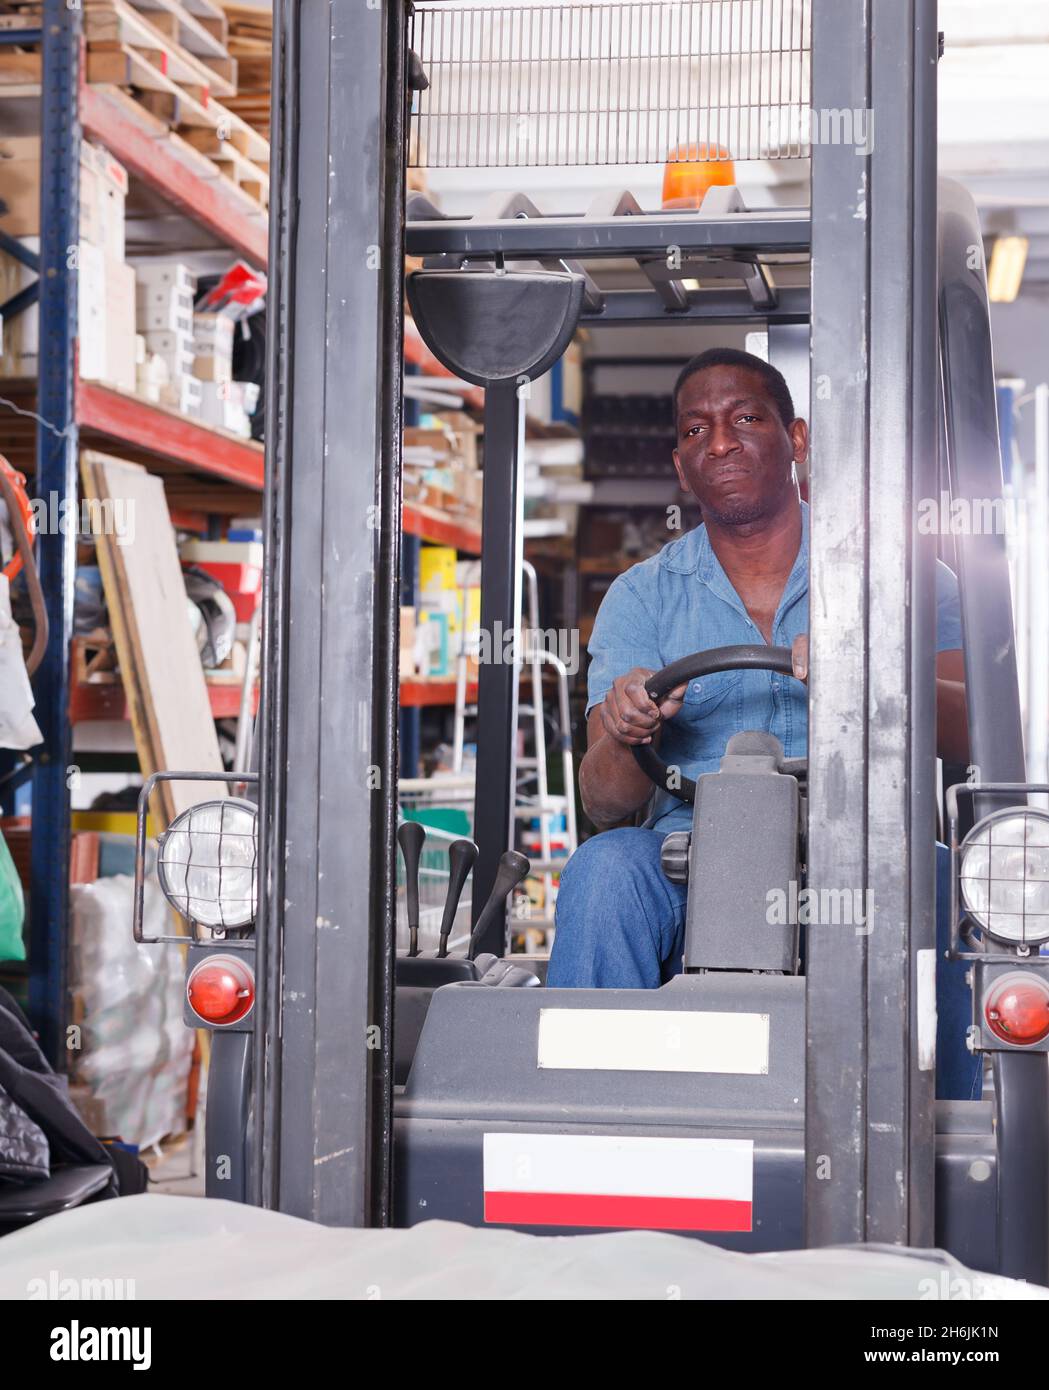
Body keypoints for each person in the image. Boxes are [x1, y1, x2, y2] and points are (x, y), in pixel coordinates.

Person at [549, 347, 978, 1100]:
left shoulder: (904, 577)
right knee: (603, 870)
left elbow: (970, 729)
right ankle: (588, 1116)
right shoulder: (641, 596)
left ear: (797, 439)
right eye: (696, 430)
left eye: (745, 419)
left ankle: (945, 1127)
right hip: (687, 856)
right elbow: (604, 801)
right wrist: (625, 729)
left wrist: (874, 675)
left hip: (861, 849)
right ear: (681, 466)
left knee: (937, 877)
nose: (719, 442)